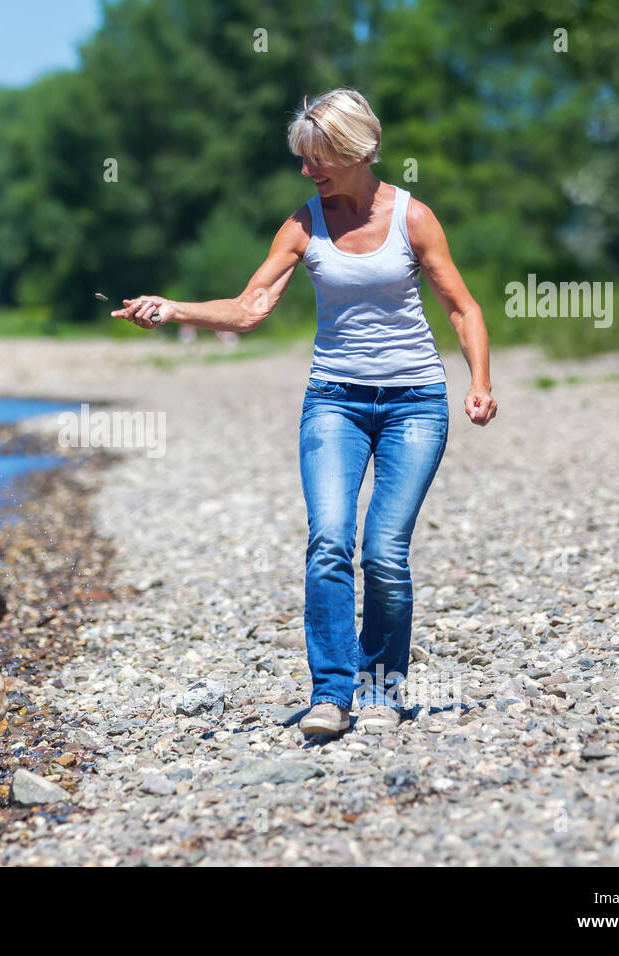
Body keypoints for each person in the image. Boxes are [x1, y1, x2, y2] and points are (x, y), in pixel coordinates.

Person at [111, 88, 497, 736]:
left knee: (385, 552)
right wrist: (176, 309)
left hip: (416, 404)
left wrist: (479, 381)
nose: (306, 171)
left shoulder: (414, 218)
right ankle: (331, 693)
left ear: (357, 152)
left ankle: (381, 689)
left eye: (316, 158)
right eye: (303, 158)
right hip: (334, 403)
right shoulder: (303, 223)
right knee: (327, 543)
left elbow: (463, 307)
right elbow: (251, 307)